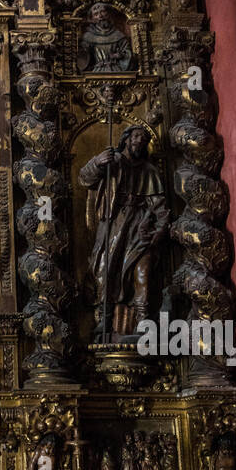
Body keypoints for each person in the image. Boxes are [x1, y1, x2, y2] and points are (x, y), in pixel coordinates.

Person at [79, 125, 169, 337]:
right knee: (105, 269)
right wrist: (97, 163)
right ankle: (105, 318)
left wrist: (158, 231)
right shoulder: (113, 162)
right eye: (136, 136)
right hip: (113, 222)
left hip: (139, 226)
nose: (140, 141)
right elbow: (84, 178)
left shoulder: (149, 171)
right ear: (126, 139)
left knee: (142, 273)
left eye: (144, 138)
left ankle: (142, 320)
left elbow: (160, 206)